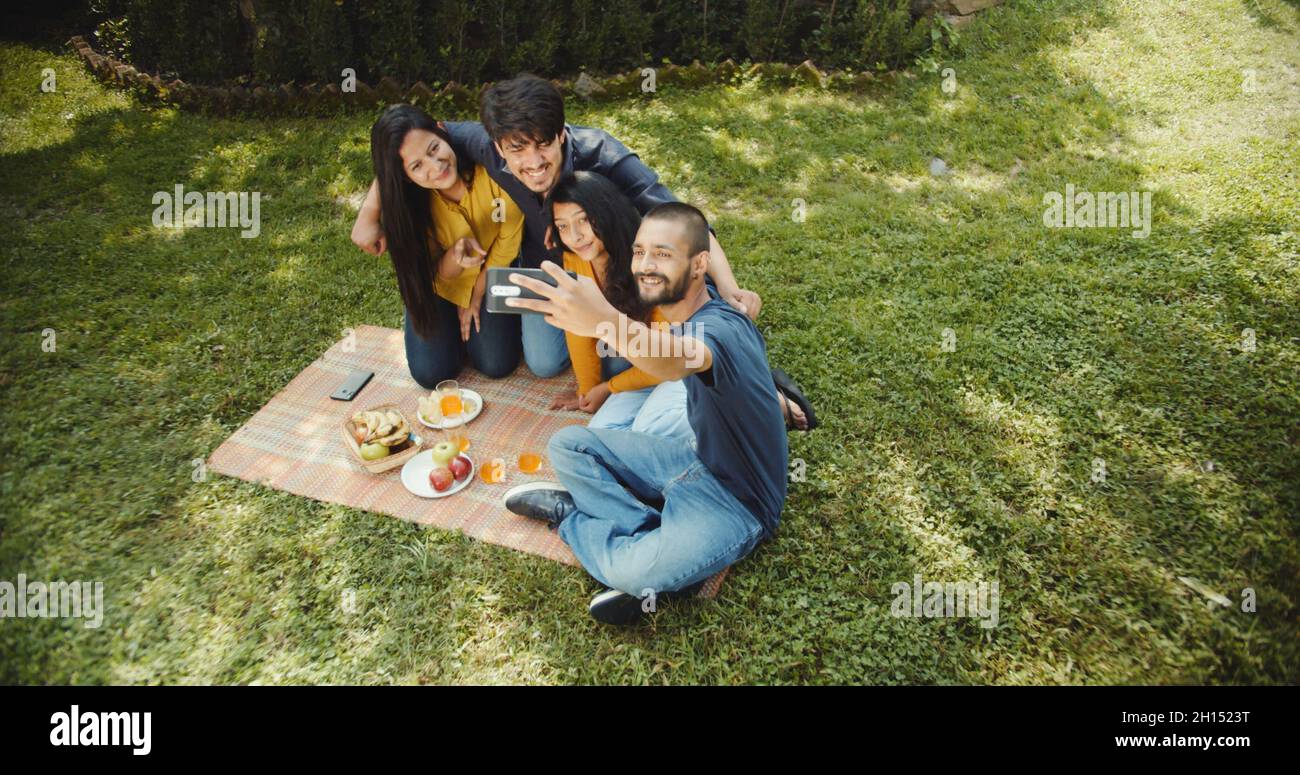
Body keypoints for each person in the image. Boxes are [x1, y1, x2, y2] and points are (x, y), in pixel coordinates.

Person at [351, 74, 766, 380]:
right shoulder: (482, 143)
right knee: (544, 363)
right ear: (496, 147)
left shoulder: (600, 153)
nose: (533, 162)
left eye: (544, 144)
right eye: (517, 150)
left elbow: (682, 219)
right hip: (546, 273)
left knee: (654, 350)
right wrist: (369, 214)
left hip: (609, 270)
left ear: (561, 134)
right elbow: (406, 144)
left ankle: (753, 374)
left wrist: (728, 284)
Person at [500, 203, 789, 625]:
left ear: (699, 264)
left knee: (634, 571)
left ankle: (573, 519)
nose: (646, 266)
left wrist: (605, 320)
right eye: (639, 252)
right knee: (569, 443)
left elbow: (676, 361)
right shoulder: (688, 316)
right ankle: (649, 529)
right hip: (694, 462)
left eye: (664, 254)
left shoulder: (717, 329)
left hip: (739, 502)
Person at [548, 171, 812, 435]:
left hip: (683, 353)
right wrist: (588, 390)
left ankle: (762, 398)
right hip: (647, 351)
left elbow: (669, 357)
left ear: (606, 212)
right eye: (562, 226)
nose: (575, 235)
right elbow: (578, 329)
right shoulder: (576, 256)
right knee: (603, 431)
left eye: (584, 220)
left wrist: (609, 388)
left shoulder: (645, 258)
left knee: (649, 428)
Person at [369, 104, 529, 387]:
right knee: (431, 374)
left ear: (443, 132)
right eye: (417, 166)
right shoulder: (411, 206)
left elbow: (508, 241)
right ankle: (450, 330)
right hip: (440, 285)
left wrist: (476, 294)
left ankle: (467, 331)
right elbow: (431, 272)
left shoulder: (490, 172)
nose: (435, 167)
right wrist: (454, 259)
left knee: (496, 363)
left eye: (433, 149)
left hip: (492, 273)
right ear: (406, 176)